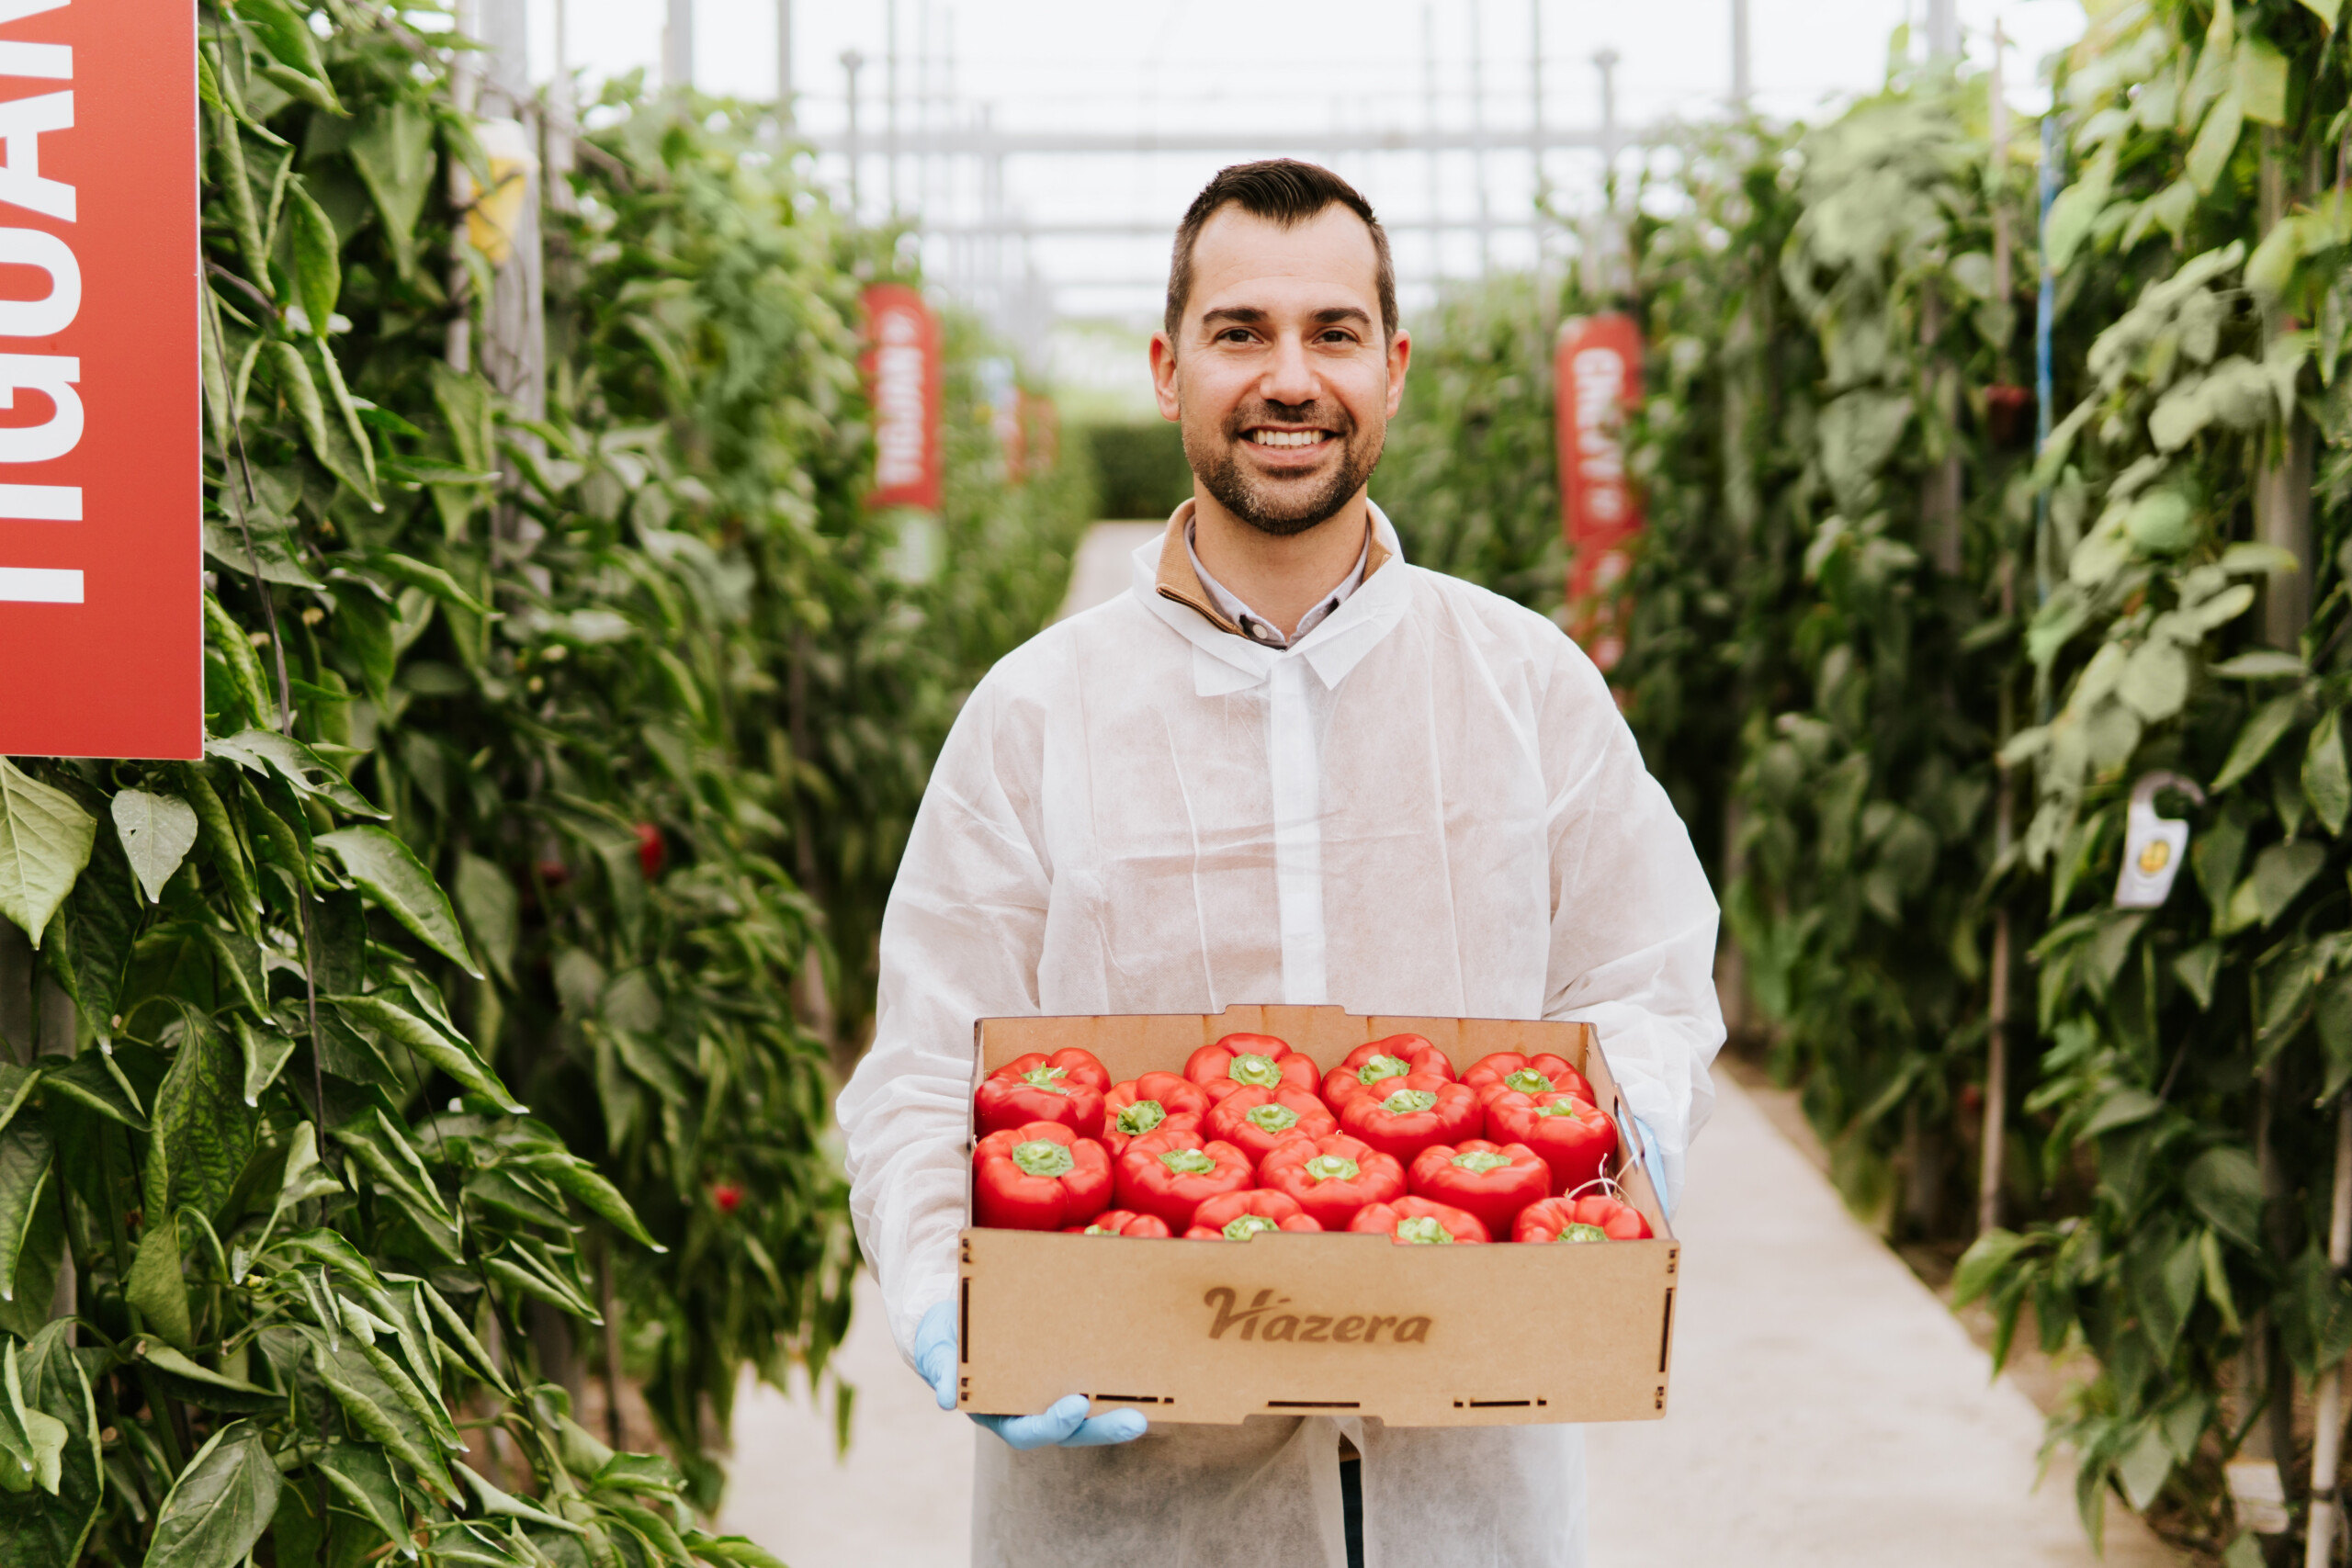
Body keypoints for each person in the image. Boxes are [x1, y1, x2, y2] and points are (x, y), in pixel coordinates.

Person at [836, 158, 1724, 1567]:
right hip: (1137, 1495)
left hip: (1465, 1473)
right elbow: (929, 1062)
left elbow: (1648, 973)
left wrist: (1634, 1120)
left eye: (1334, 333)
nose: (1289, 378)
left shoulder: (1520, 683)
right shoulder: (1033, 710)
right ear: (1167, 366)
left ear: (1395, 366)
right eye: (1240, 332)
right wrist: (947, 1280)